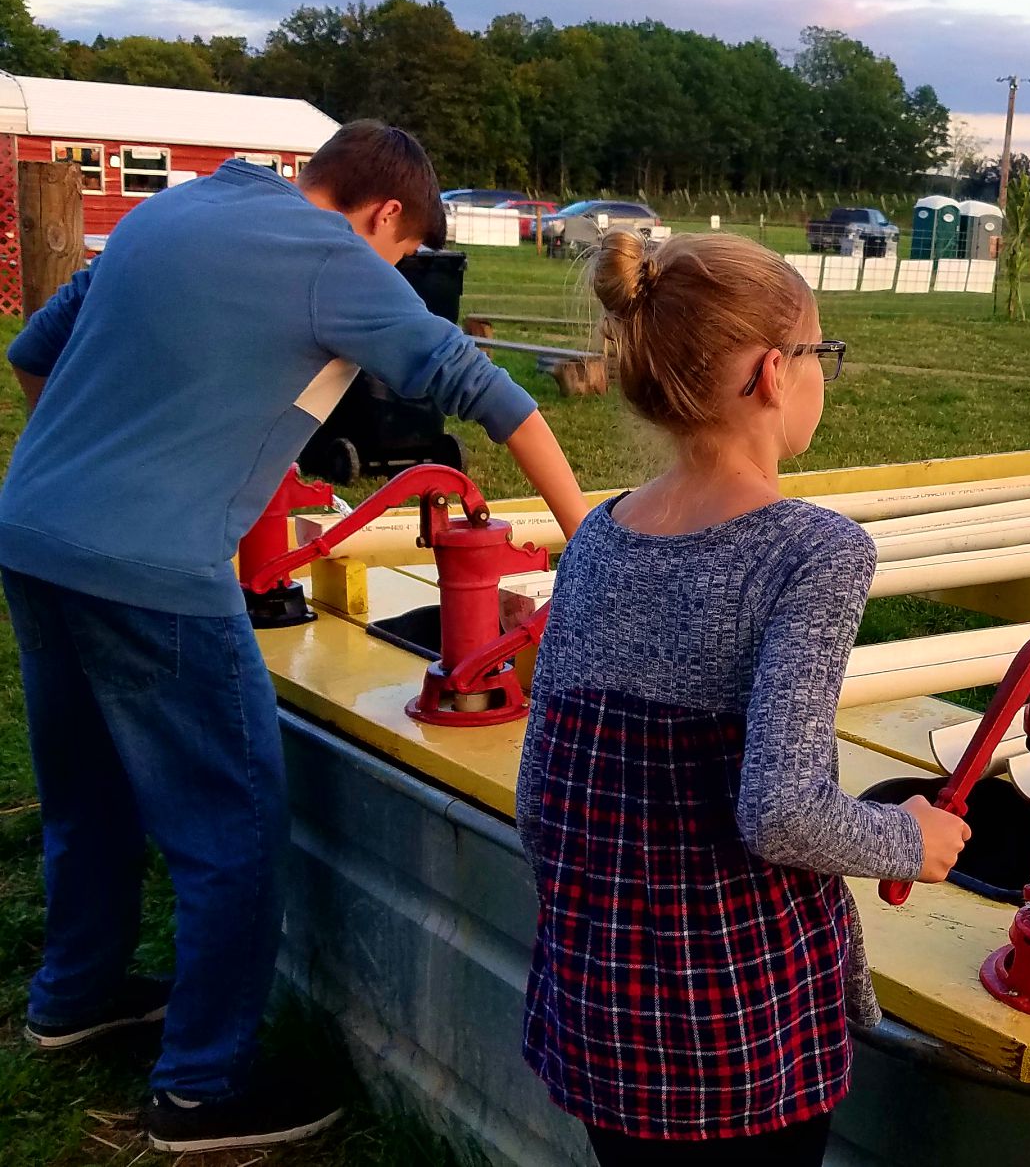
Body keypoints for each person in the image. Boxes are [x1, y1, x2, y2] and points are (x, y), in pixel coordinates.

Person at [0, 122, 590, 1154]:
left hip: (34, 536)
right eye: (401, 256)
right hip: (157, 573)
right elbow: (484, 392)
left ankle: (74, 999)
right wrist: (591, 542)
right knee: (230, 827)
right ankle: (200, 1092)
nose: (393, 277)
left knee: (88, 791)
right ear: (386, 213)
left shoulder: (171, 209)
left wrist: (109, 467)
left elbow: (31, 356)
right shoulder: (334, 256)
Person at [517, 231, 968, 1166]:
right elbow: (781, 812)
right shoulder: (810, 552)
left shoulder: (598, 537)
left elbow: (539, 798)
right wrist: (909, 840)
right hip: (738, 1037)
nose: (823, 376)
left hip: (599, 1020)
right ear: (772, 373)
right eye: (820, 354)